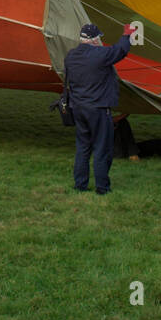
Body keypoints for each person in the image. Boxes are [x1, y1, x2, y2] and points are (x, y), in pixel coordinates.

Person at [63, 22, 134, 195]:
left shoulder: (71, 56)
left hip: (78, 108)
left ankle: (80, 185)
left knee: (83, 148)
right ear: (95, 39)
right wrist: (127, 35)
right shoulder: (99, 55)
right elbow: (120, 50)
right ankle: (102, 187)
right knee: (102, 148)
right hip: (98, 108)